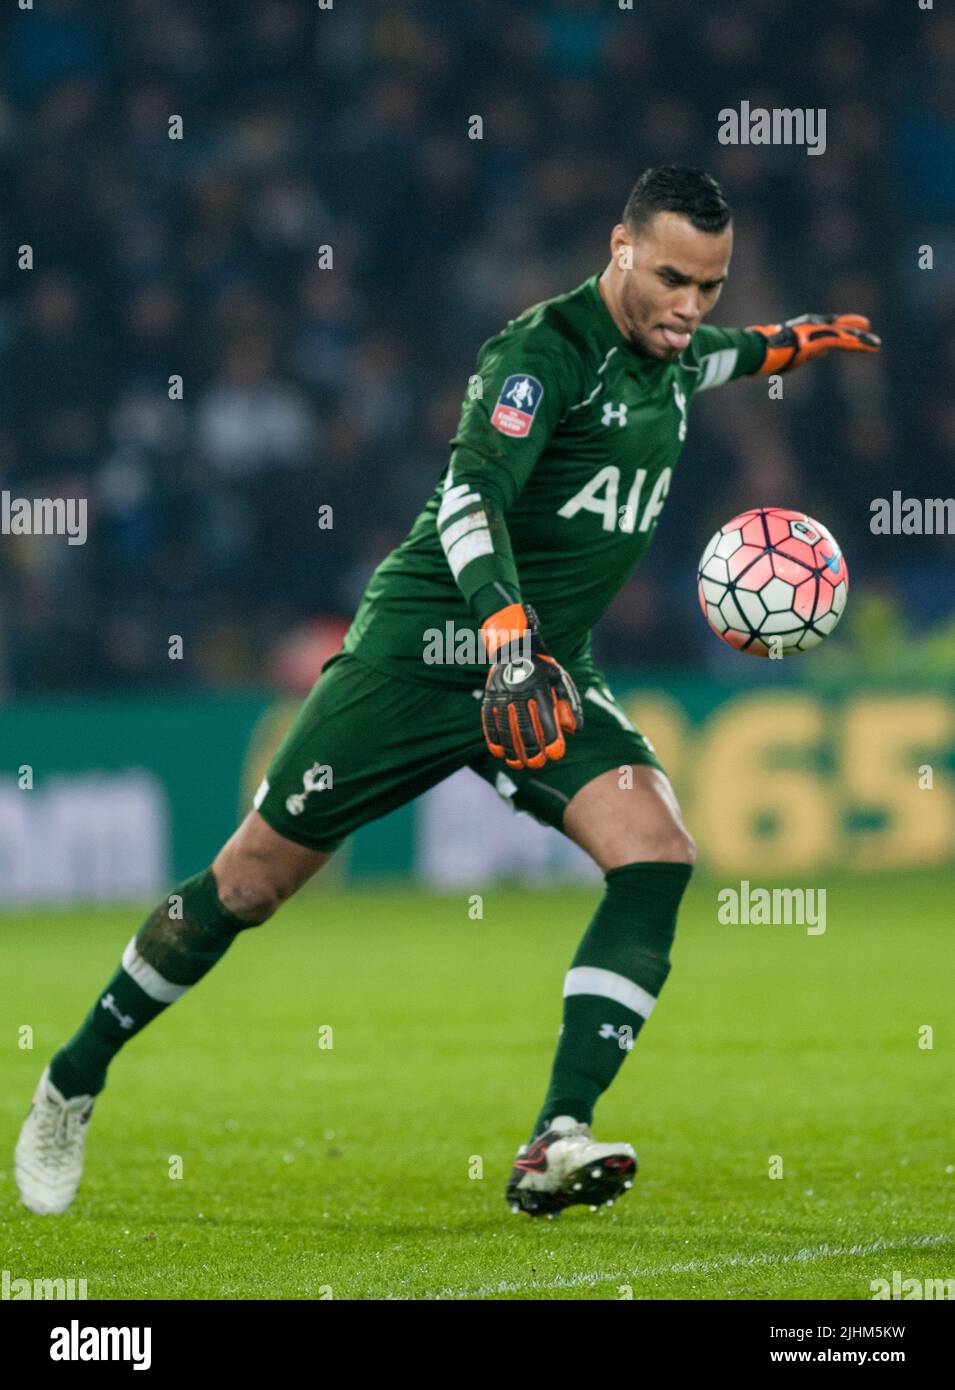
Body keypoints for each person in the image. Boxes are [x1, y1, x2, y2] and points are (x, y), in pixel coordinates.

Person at [15, 166, 880, 1219]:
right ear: (617, 248)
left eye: (710, 283)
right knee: (247, 882)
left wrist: (793, 339)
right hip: (426, 653)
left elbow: (725, 354)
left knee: (656, 853)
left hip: (546, 673)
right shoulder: (539, 356)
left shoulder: (676, 352)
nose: (690, 306)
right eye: (670, 278)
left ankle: (555, 1136)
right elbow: (472, 497)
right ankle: (74, 1075)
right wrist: (505, 637)